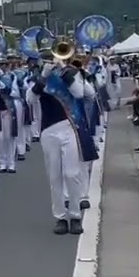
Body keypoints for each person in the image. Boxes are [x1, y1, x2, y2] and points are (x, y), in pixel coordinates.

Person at [33, 60, 95, 235]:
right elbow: (30, 99)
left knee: (72, 173)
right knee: (55, 176)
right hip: (49, 131)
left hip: (69, 127)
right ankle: (60, 217)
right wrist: (44, 76)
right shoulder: (40, 78)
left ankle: (75, 216)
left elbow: (79, 93)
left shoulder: (69, 75)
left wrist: (64, 71)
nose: (50, 61)